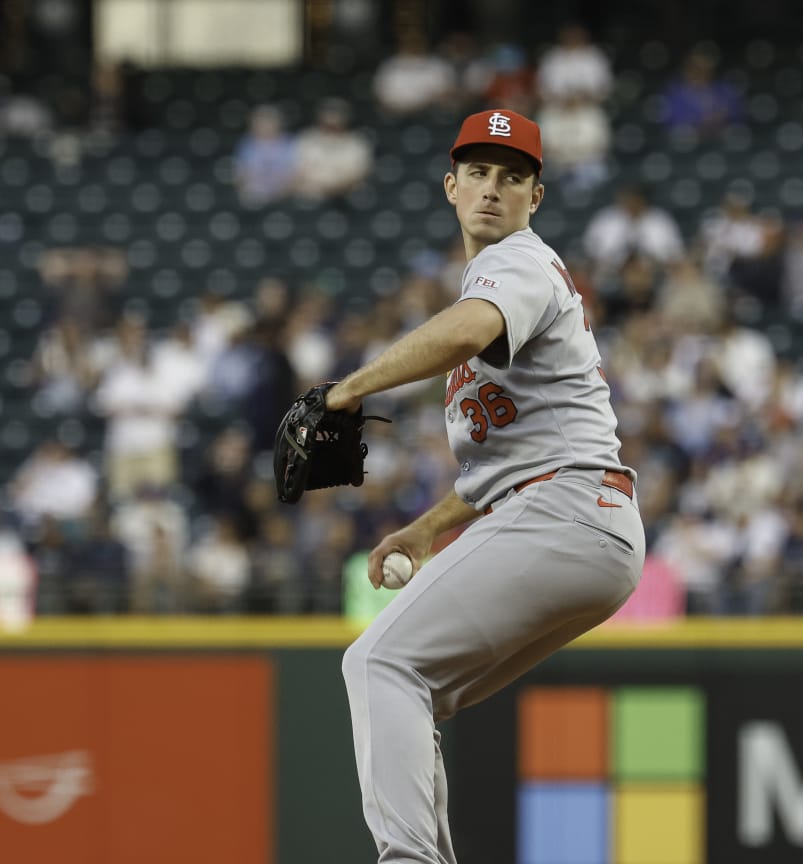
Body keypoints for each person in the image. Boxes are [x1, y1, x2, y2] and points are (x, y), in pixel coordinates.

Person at [326, 109, 644, 863]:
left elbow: (466, 331)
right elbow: (512, 458)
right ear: (451, 185)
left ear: (537, 196)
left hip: (567, 510)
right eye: (477, 172)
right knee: (412, 690)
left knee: (377, 662)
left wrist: (349, 390)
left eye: (512, 177)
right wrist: (428, 528)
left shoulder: (518, 264)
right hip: (581, 517)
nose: (492, 190)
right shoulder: (506, 277)